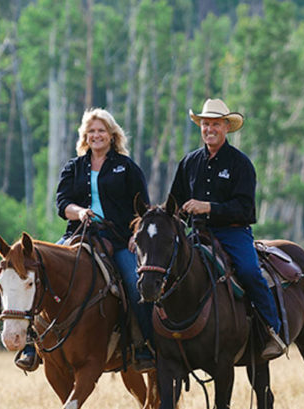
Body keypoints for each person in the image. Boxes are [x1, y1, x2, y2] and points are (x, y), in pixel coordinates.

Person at [14, 108, 155, 372]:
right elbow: (62, 204)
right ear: (84, 137)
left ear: (112, 135)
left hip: (118, 238)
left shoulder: (127, 167)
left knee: (136, 287)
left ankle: (145, 346)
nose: (96, 135)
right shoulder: (74, 167)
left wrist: (137, 235)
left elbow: (143, 208)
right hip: (78, 234)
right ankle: (32, 344)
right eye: (91, 131)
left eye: (101, 130)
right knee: (39, 271)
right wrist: (79, 212)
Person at [168, 98, 286, 360]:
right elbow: (174, 203)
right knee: (166, 269)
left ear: (226, 127)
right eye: (205, 124)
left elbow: (246, 209)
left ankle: (273, 330)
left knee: (249, 271)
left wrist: (208, 207)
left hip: (233, 233)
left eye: (215, 124)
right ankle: (164, 336)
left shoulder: (240, 164)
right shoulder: (188, 163)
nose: (209, 129)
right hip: (197, 234)